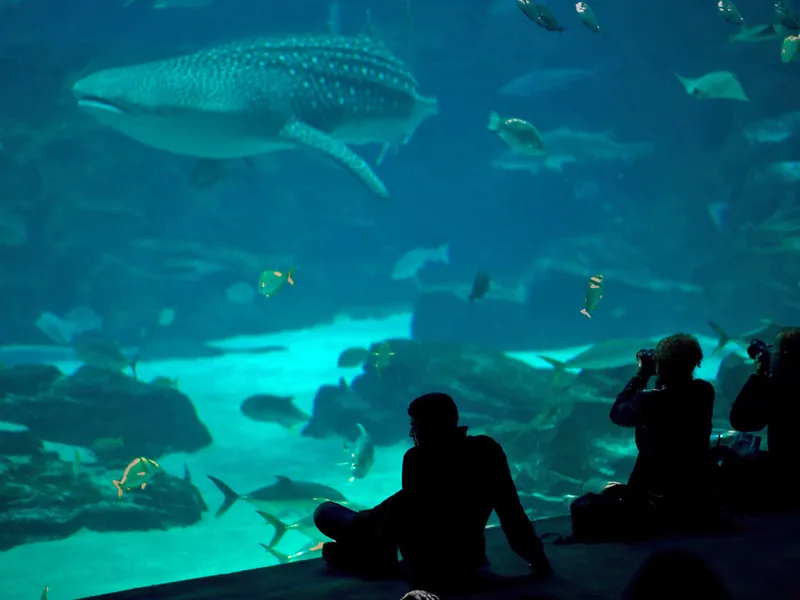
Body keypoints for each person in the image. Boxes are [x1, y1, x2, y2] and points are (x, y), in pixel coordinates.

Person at [313, 392, 552, 586]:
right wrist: (538, 560)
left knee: (325, 512)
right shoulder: (488, 450)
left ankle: (358, 548)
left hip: (425, 566)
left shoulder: (418, 458)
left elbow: (405, 515)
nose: (411, 433)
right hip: (471, 559)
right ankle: (358, 545)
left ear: (430, 426)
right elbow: (512, 512)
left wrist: (380, 567)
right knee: (377, 515)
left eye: (415, 426)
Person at [570, 334, 715, 540]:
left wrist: (641, 374)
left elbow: (617, 415)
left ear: (661, 365)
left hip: (654, 493)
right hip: (696, 488)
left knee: (590, 486)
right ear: (695, 362)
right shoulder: (704, 391)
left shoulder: (650, 399)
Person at [728, 328, 800, 508]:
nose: (770, 353)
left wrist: (760, 374)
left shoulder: (782, 388)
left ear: (784, 354)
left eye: (773, 349)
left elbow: (742, 421)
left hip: (789, 474)